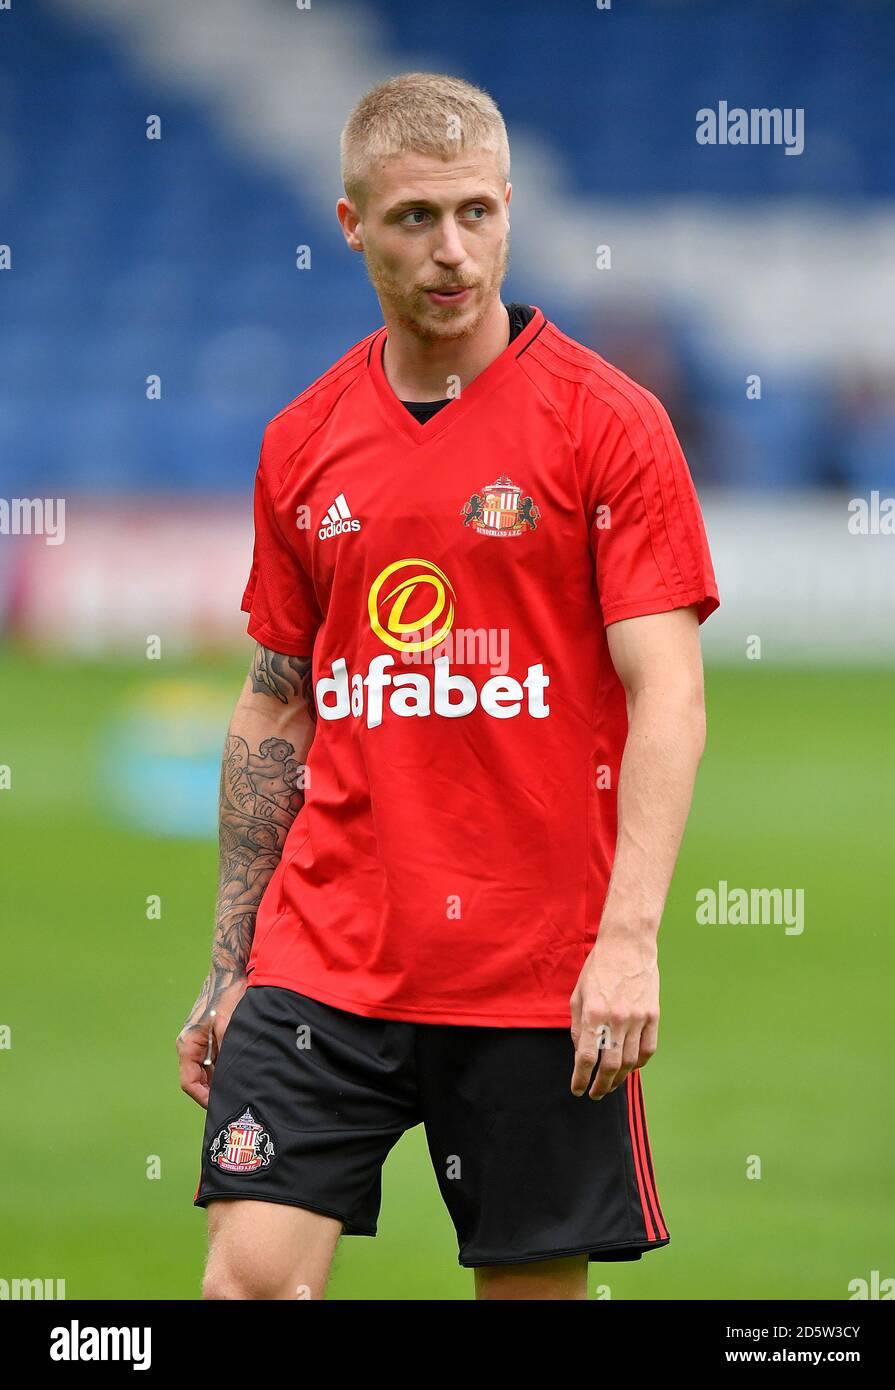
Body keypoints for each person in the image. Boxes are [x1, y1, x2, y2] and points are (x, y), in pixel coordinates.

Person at [177, 71, 719, 1302]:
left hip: (537, 973)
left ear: (511, 210)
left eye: (477, 213)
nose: (452, 251)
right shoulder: (303, 439)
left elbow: (668, 699)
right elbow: (277, 696)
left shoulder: (609, 425)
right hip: (326, 957)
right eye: (415, 217)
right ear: (351, 225)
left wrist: (628, 943)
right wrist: (227, 960)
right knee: (249, 1284)